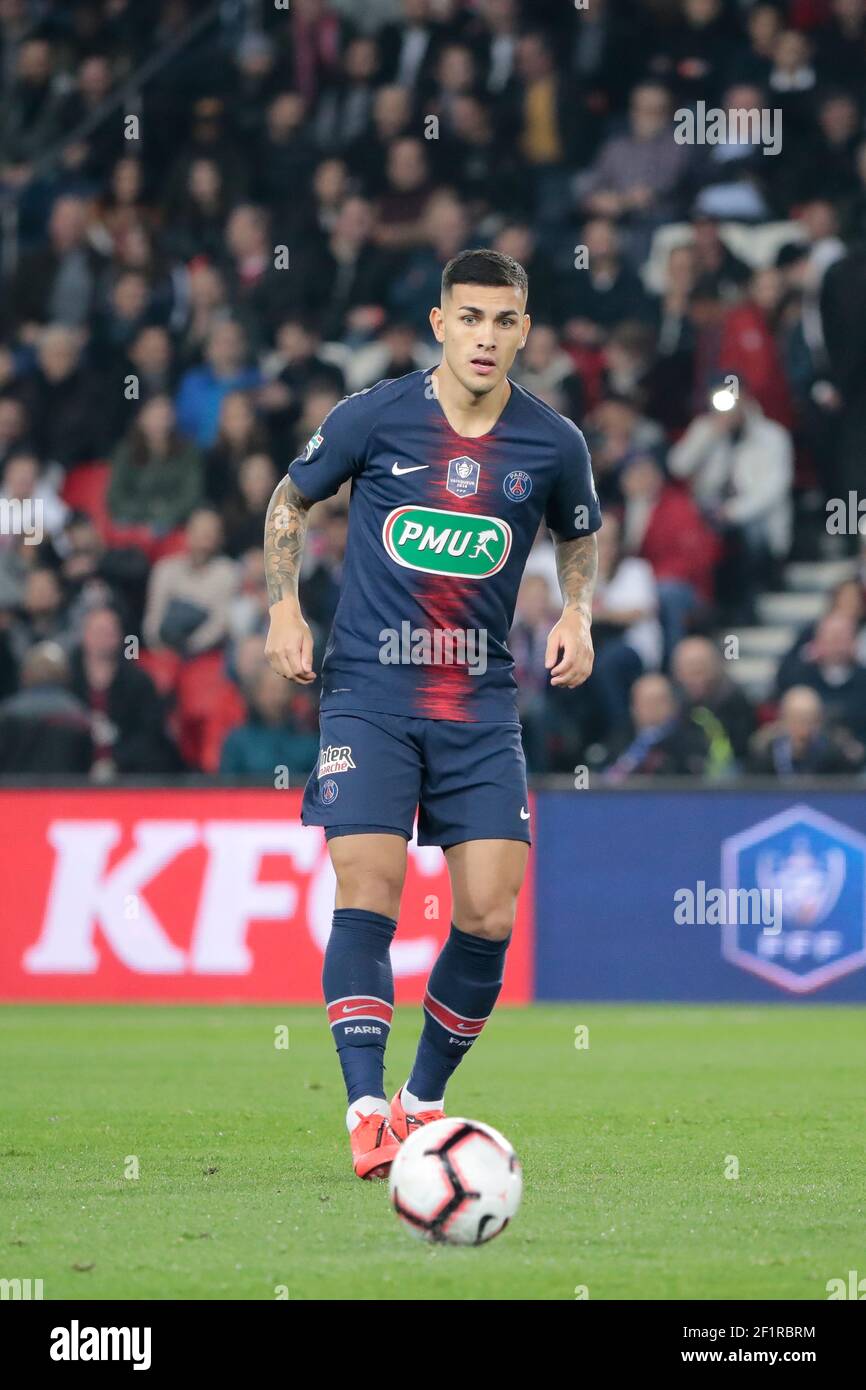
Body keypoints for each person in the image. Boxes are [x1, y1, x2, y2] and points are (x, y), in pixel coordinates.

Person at [264, 248, 600, 1180]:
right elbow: (288, 501)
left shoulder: (552, 442)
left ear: (524, 331)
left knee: (489, 912)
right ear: (441, 324)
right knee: (367, 884)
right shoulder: (374, 416)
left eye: (505, 321)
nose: (487, 337)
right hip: (369, 693)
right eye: (471, 318)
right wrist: (283, 608)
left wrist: (576, 611)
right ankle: (367, 1110)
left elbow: (581, 533)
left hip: (481, 700)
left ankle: (424, 1101)